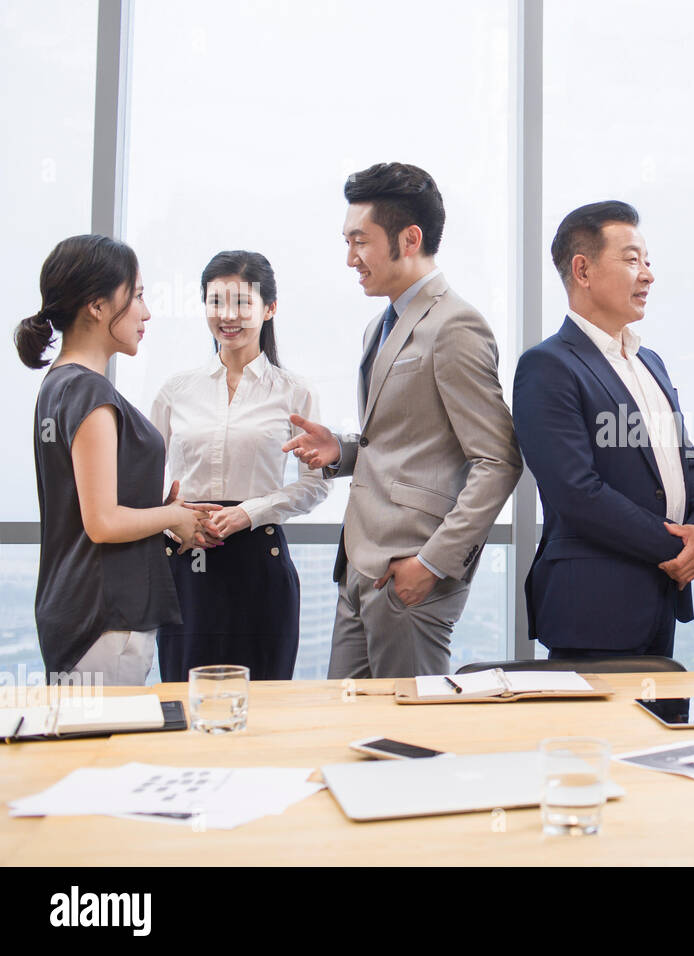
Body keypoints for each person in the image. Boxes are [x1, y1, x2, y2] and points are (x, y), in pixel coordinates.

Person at [284, 163, 521, 677]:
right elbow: (401, 437)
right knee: (354, 734)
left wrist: (431, 564)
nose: (351, 258)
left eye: (359, 241)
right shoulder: (380, 324)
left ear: (409, 238)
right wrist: (342, 451)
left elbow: (498, 460)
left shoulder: (455, 324)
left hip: (411, 573)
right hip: (360, 568)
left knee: (412, 741)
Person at [513, 201, 694, 659]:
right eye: (632, 260)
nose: (647, 275)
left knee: (662, 724)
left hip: (662, 594)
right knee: (597, 733)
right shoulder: (548, 366)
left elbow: (689, 462)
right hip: (592, 603)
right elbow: (576, 491)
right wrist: (677, 545)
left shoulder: (651, 363)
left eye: (647, 261)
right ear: (583, 271)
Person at [15, 235, 214, 685]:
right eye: (138, 295)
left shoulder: (60, 385)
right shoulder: (88, 391)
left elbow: (93, 502)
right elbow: (101, 522)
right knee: (106, 751)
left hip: (84, 608)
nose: (147, 312)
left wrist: (160, 510)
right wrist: (172, 515)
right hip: (104, 615)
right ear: (98, 306)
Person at [150, 251, 330, 681]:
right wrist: (169, 519)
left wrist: (250, 512)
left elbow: (315, 486)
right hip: (187, 559)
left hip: (258, 561)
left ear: (269, 308)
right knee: (184, 699)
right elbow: (146, 481)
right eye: (215, 302)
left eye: (242, 303)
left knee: (263, 705)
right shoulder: (176, 391)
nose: (227, 315)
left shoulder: (295, 392)